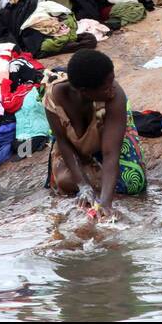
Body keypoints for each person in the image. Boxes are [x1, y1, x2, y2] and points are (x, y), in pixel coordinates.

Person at [45, 49, 147, 217]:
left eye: (112, 81)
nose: (112, 89)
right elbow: (63, 142)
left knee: (133, 182)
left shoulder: (115, 96)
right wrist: (83, 187)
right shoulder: (54, 99)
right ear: (84, 91)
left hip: (107, 140)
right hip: (75, 148)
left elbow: (110, 153)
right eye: (106, 87)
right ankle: (91, 179)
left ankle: (99, 180)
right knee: (65, 182)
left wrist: (105, 203)